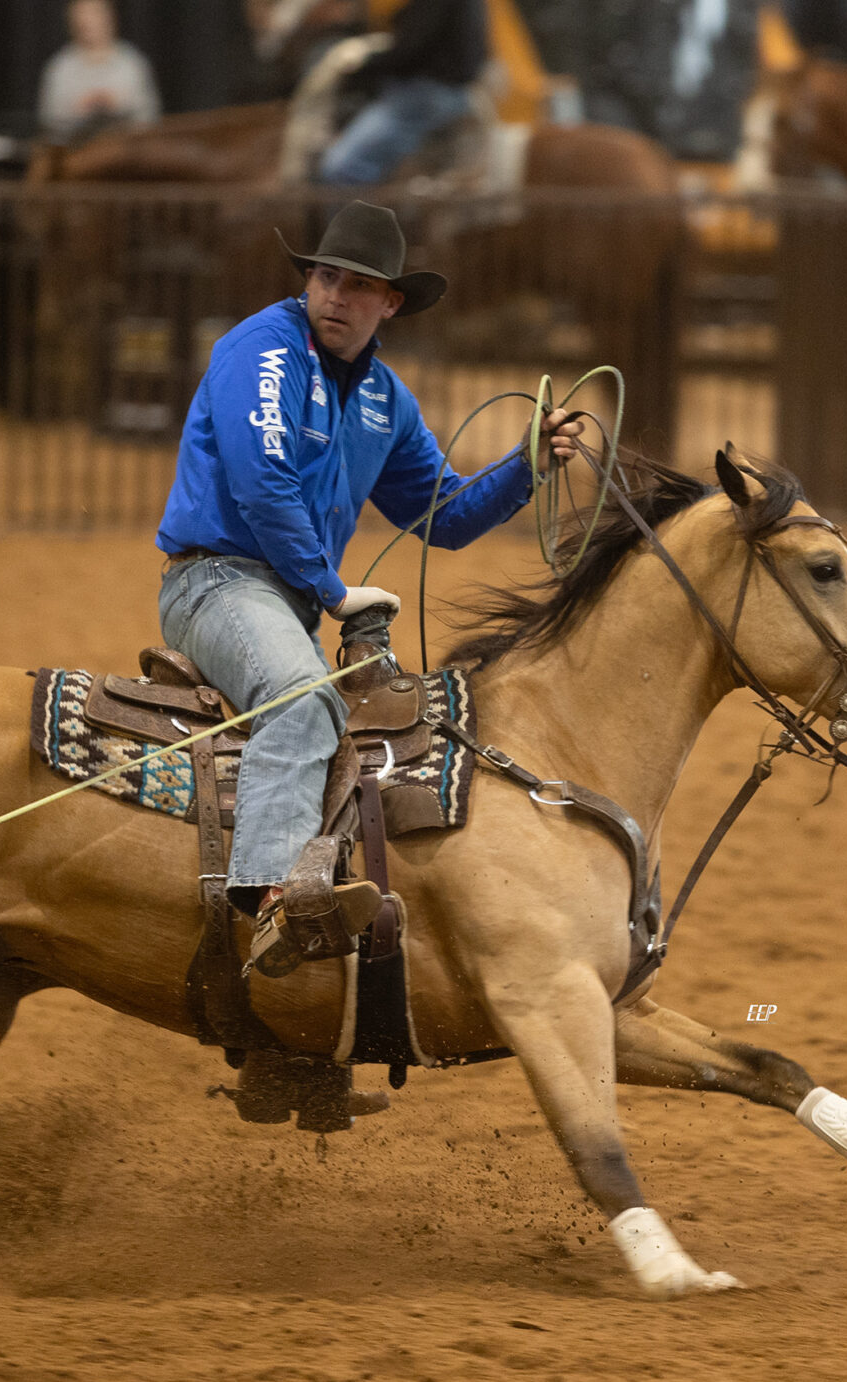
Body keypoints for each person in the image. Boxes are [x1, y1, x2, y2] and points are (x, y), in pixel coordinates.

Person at [154, 200, 580, 977]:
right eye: (326, 277)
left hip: (281, 601)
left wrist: (527, 465)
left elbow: (445, 514)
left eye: (358, 286)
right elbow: (263, 485)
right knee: (301, 699)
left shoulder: (385, 398)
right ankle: (273, 898)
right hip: (215, 581)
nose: (336, 296)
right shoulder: (264, 351)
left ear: (391, 303)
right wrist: (331, 589)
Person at [315, 0, 489, 185]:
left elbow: (411, 49)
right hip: (452, 92)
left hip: (423, 92)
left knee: (341, 170)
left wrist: (363, 64)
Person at [36, 0, 161, 142]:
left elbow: (150, 116)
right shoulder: (60, 67)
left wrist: (117, 105)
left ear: (109, 17)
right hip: (76, 148)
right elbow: (48, 121)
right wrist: (79, 109)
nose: (87, 21)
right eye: (81, 16)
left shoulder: (132, 63)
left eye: (94, 13)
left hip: (125, 146)